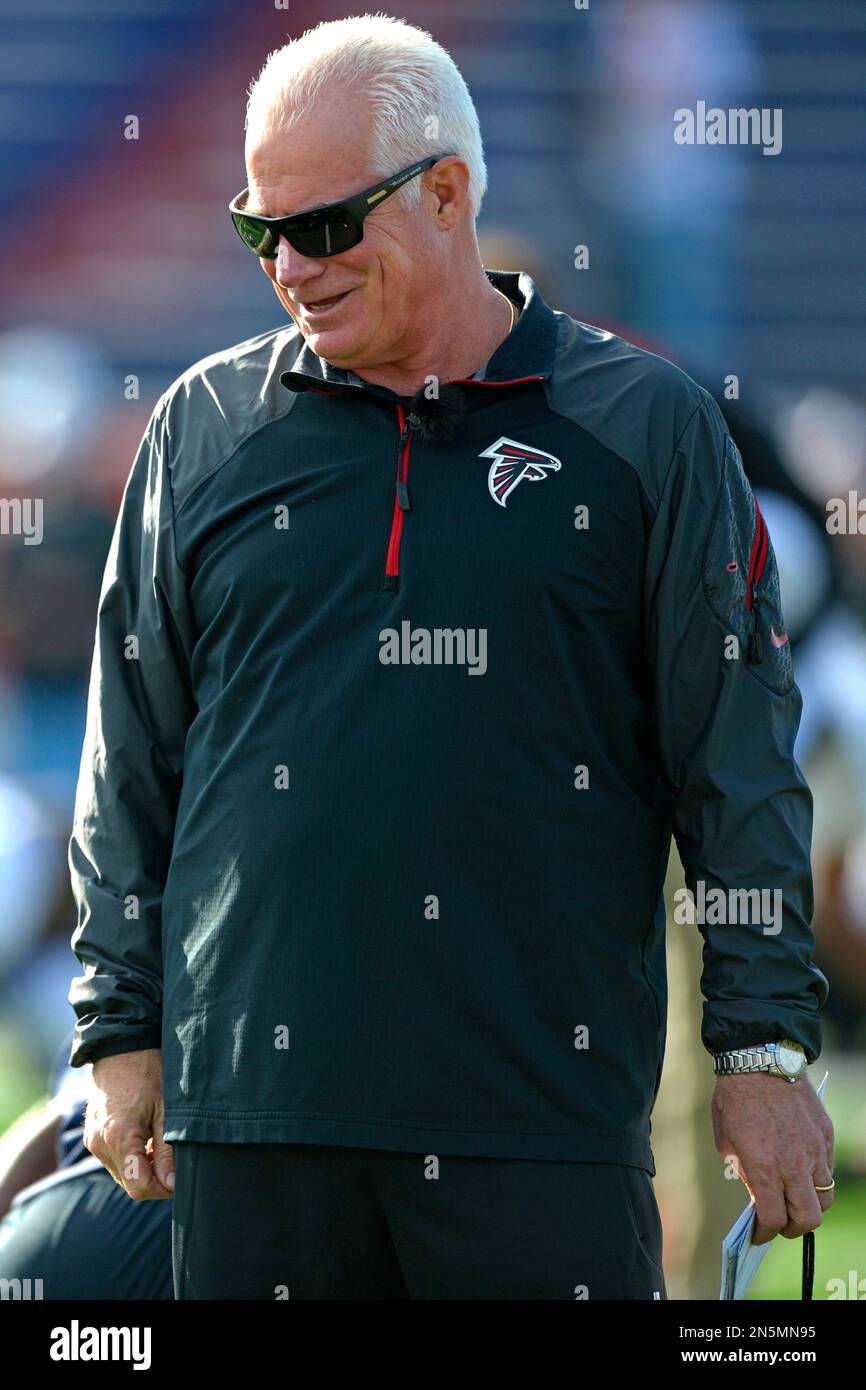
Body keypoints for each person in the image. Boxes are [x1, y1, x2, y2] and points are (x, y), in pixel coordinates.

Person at [67, 15, 833, 1301]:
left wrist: (760, 1049)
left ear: (445, 193)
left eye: (321, 228)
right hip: (254, 1119)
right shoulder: (201, 428)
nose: (288, 269)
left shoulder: (644, 430)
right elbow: (130, 751)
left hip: (534, 1124)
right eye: (261, 231)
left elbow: (734, 764)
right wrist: (116, 1031)